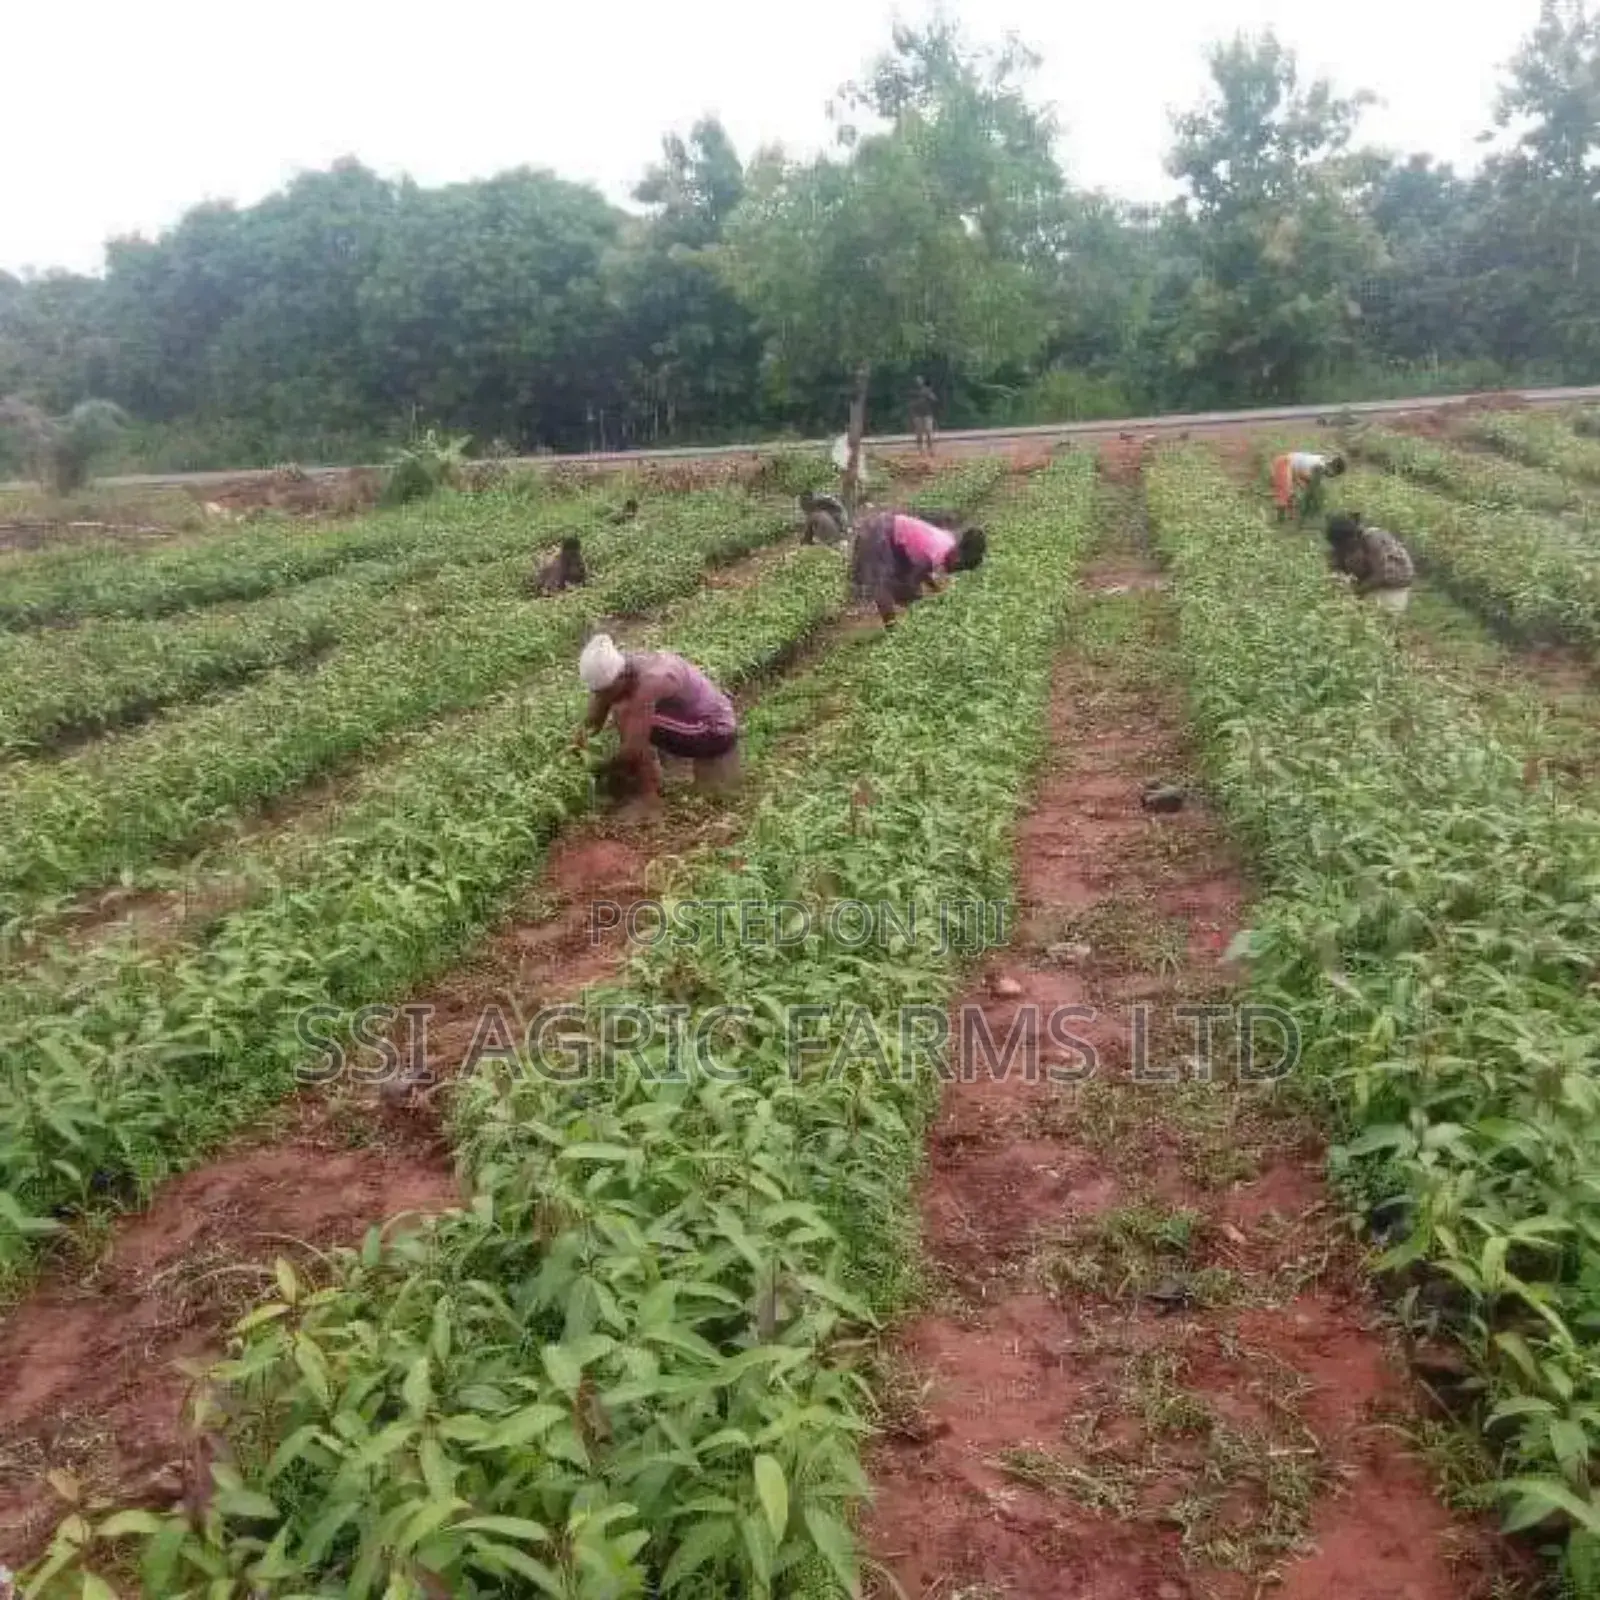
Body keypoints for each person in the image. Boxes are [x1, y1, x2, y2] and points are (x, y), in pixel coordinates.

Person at [573, 633, 740, 816]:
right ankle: (655, 780)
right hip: (687, 719)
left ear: (621, 678)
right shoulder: (620, 669)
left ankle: (649, 798)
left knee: (625, 715)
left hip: (713, 728)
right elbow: (592, 722)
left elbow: (632, 751)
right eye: (598, 693)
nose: (602, 698)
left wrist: (598, 769)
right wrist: (577, 747)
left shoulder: (651, 681)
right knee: (625, 712)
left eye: (606, 692)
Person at [850, 508, 987, 626]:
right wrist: (921, 605)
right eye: (956, 568)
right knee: (882, 583)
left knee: (907, 587)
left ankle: (895, 619)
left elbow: (923, 572)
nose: (951, 572)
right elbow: (912, 581)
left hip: (895, 534)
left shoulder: (948, 544)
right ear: (957, 557)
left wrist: (935, 589)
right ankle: (891, 629)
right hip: (880, 532)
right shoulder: (934, 554)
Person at [1325, 512, 1415, 613]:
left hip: (1391, 589)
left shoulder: (1373, 539)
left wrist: (1354, 592)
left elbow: (1380, 575)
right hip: (1368, 587)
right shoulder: (1344, 546)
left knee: (1375, 619)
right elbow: (1335, 567)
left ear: (1351, 538)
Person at [1271, 450, 1346, 525]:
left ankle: (1288, 520)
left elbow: (1304, 479)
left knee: (1292, 493)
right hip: (1284, 463)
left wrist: (1302, 486)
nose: (1331, 477)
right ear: (1333, 469)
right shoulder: (1319, 466)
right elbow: (1299, 475)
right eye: (1333, 475)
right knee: (1284, 494)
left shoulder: (1322, 462)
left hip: (1290, 465)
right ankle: (1280, 523)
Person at [908, 377, 938, 457]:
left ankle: (930, 449)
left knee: (928, 431)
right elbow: (910, 403)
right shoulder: (914, 391)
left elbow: (934, 399)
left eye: (920, 380)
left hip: (927, 414)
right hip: (917, 414)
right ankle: (920, 450)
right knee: (919, 433)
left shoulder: (927, 390)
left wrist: (928, 395)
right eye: (917, 381)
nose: (919, 382)